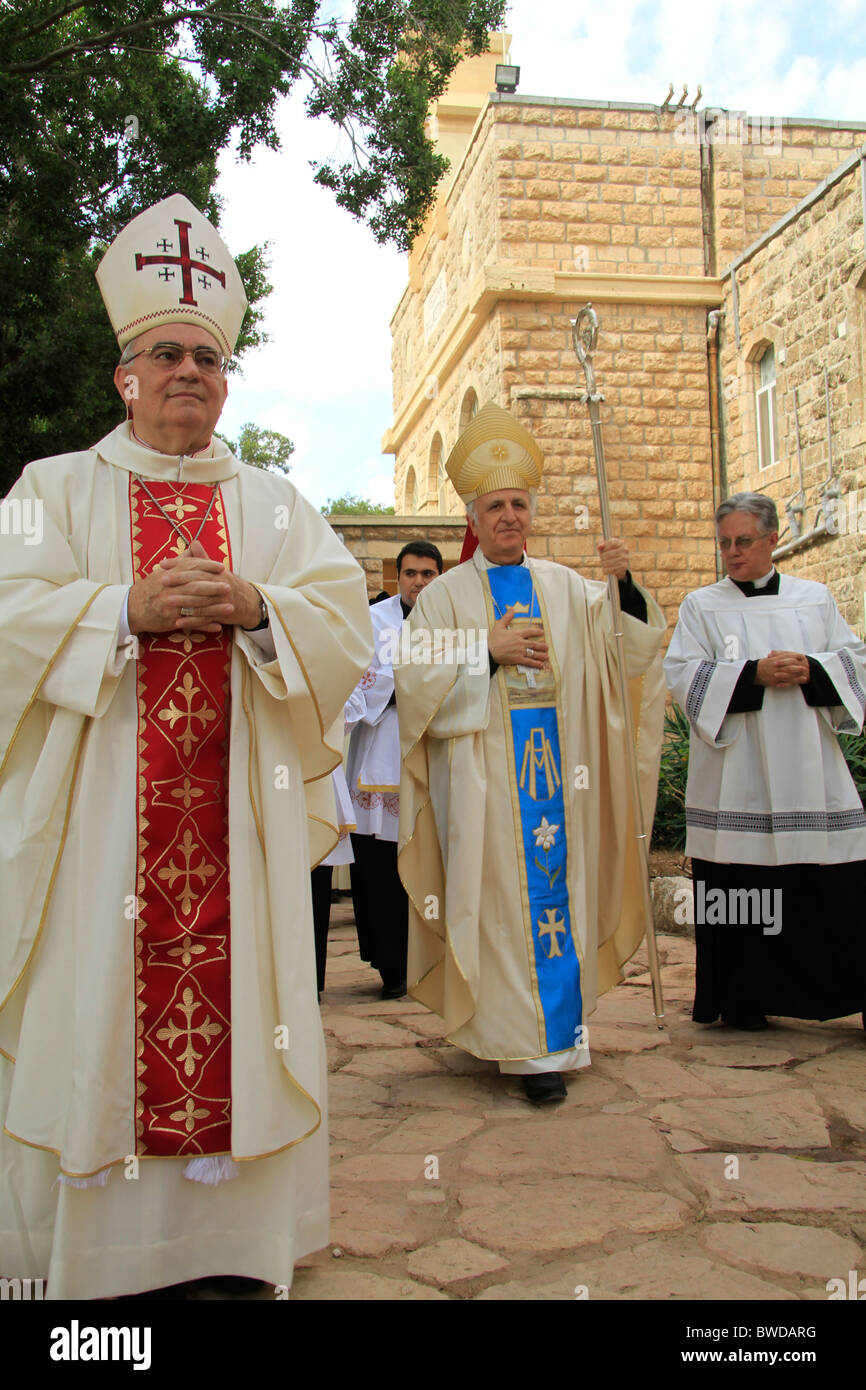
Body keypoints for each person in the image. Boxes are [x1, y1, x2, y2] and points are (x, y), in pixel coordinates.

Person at [0, 194, 372, 1299]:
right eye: (167, 354)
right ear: (124, 375)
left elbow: (343, 622)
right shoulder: (50, 489)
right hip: (99, 840)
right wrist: (120, 610)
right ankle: (105, 1260)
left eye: (209, 358)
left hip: (234, 830)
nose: (189, 373)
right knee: (98, 1010)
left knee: (239, 1016)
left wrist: (260, 606)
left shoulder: (275, 503)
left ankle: (229, 1248)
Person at [394, 403, 665, 1102]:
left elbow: (623, 653)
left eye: (519, 503)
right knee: (497, 911)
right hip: (484, 788)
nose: (509, 516)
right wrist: (486, 653)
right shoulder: (445, 596)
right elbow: (414, 680)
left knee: (554, 904)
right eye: (495, 506)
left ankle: (549, 1048)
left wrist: (623, 587)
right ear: (474, 519)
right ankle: (508, 1038)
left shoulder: (566, 586)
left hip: (561, 788)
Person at [664, 491, 866, 1030]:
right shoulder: (701, 606)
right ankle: (742, 999)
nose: (732, 552)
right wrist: (752, 673)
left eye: (744, 541)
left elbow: (855, 661)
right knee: (740, 891)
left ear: (772, 540)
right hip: (738, 776)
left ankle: (836, 996)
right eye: (724, 543)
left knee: (833, 886)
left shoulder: (814, 599)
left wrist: (813, 669)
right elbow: (682, 675)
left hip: (809, 770)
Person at [346, 541, 443, 997]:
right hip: (379, 754)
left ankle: (429, 958)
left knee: (426, 860)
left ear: (439, 577)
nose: (418, 583)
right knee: (379, 866)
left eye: (427, 574)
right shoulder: (372, 621)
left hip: (431, 752)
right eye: (410, 574)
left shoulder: (451, 620)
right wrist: (405, 680)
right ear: (397, 577)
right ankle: (390, 964)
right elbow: (356, 682)